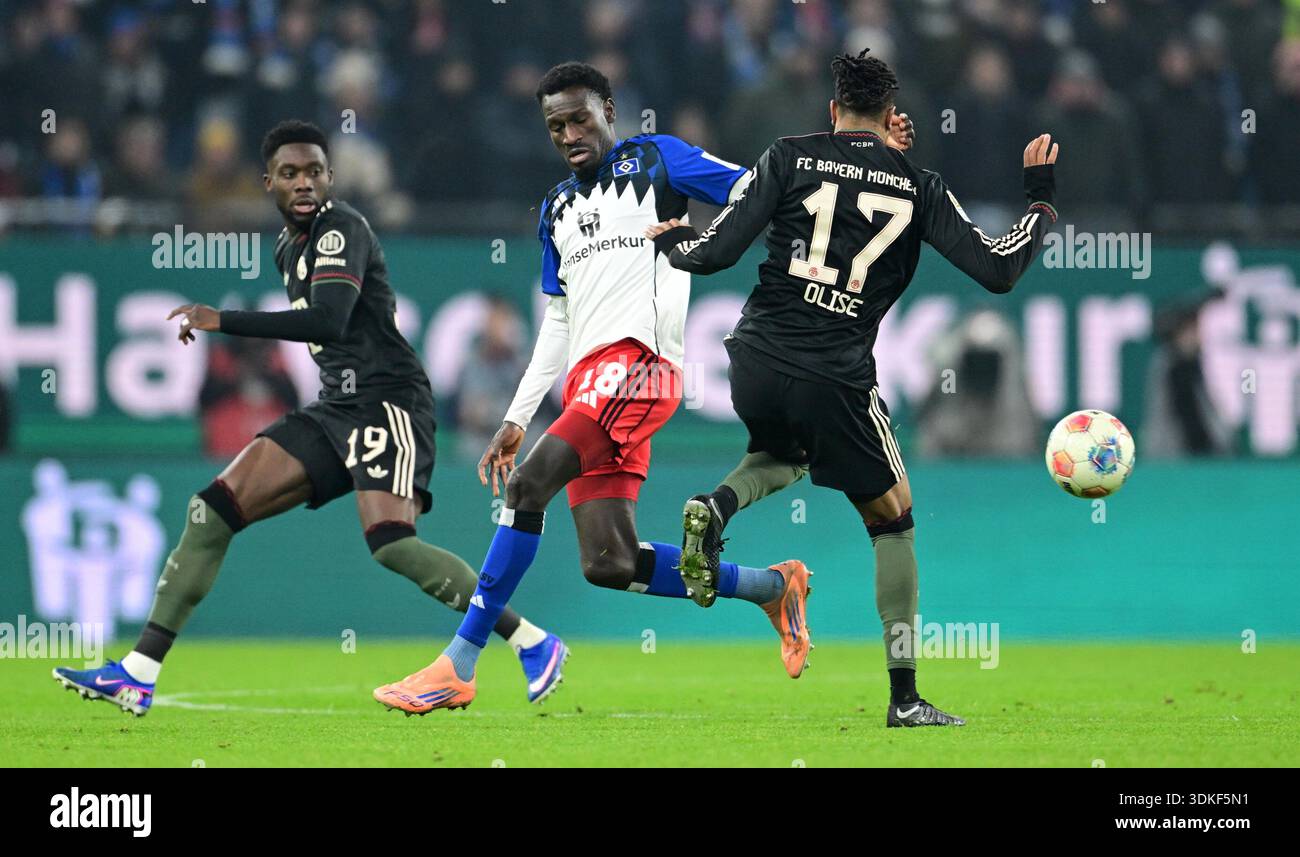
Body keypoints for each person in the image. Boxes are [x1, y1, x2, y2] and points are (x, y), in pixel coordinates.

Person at [52, 120, 565, 717]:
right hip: (334, 407)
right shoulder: (285, 247)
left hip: (387, 401)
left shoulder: (340, 228)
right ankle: (137, 674)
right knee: (212, 510)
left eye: (315, 171)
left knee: (392, 544)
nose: (304, 182)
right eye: (290, 173)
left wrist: (225, 320)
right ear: (267, 182)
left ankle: (530, 639)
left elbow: (328, 321)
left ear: (330, 177)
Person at [372, 62, 814, 715]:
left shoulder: (658, 161)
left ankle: (459, 663)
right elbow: (558, 318)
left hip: (640, 367)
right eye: (556, 125)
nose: (569, 133)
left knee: (527, 486)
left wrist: (707, 238)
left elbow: (756, 188)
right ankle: (772, 587)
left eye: (581, 117)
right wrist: (518, 416)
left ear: (610, 108)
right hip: (590, 382)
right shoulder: (556, 208)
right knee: (607, 560)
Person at [660, 49, 1060, 727]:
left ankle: (717, 504)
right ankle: (905, 699)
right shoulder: (918, 183)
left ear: (832, 110)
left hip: (754, 355)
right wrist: (1041, 201)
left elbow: (716, 250)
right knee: (894, 518)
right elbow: (997, 270)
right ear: (891, 116)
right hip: (834, 371)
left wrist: (672, 241)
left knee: (784, 454)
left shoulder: (788, 153)